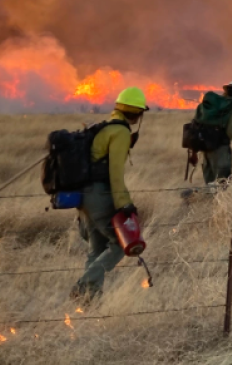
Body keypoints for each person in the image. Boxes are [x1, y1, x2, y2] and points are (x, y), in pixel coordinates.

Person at [72, 86, 148, 302]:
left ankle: (89, 301)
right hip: (99, 194)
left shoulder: (105, 127)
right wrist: (125, 203)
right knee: (119, 244)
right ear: (136, 112)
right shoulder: (121, 132)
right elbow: (115, 173)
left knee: (96, 249)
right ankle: (84, 284)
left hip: (84, 194)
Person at [190, 80, 232, 191]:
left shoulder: (211, 105)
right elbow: (231, 131)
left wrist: (193, 153)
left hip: (205, 150)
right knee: (222, 185)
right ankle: (193, 194)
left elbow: (196, 126)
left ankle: (199, 198)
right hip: (220, 150)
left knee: (211, 185)